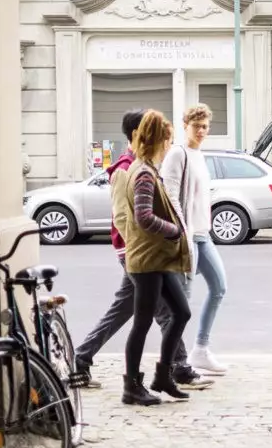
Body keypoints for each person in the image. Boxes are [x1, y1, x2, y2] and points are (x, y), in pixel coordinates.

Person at [72, 110, 212, 392]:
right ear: (139, 134)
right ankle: (175, 369)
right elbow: (125, 217)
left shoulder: (140, 164)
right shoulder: (126, 169)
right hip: (138, 254)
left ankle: (82, 358)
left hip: (141, 253)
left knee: (127, 310)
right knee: (167, 313)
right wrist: (135, 249)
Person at [112, 109, 194, 406]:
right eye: (167, 140)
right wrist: (173, 231)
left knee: (181, 312)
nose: (169, 145)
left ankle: (162, 375)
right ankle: (132, 386)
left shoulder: (145, 167)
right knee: (143, 322)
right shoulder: (144, 173)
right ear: (158, 140)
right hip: (147, 261)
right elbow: (144, 217)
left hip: (156, 259)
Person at [161, 104, 229, 375]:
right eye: (196, 126)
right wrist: (182, 235)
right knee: (182, 303)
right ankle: (175, 362)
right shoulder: (177, 154)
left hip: (203, 234)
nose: (201, 131)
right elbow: (170, 198)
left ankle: (200, 349)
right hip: (187, 238)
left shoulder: (199, 154)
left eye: (205, 127)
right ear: (185, 125)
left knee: (219, 287)